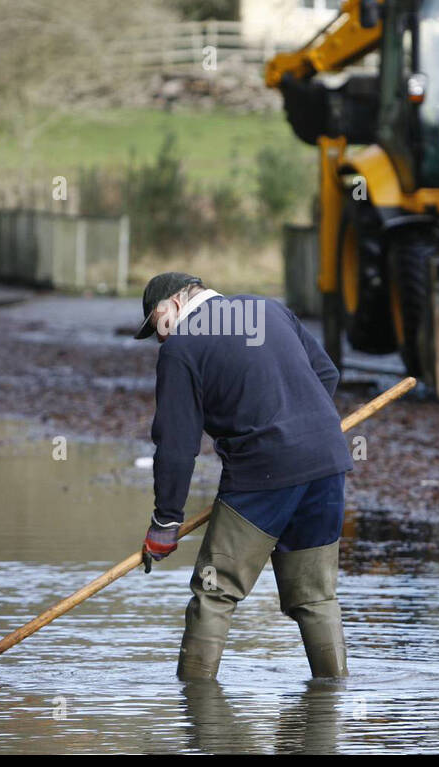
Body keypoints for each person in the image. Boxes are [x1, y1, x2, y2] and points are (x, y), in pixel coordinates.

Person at [134, 272, 353, 680]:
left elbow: (177, 446)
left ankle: (194, 708)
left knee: (215, 592)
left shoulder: (181, 348)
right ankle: (331, 699)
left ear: (178, 302)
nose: (159, 337)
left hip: (263, 473)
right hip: (327, 462)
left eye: (157, 322)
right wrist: (303, 424)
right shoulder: (268, 308)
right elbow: (326, 375)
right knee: (316, 596)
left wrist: (165, 521)